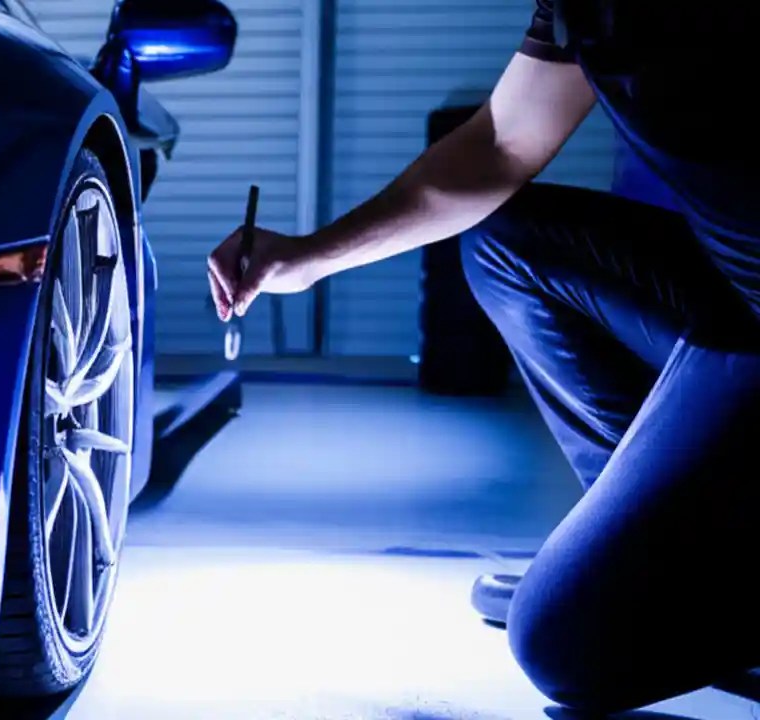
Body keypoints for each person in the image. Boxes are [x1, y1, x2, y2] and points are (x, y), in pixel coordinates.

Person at [207, 0, 760, 713]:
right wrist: (309, 258)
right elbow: (500, 144)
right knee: (505, 245)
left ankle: (672, 584)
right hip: (733, 297)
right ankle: (655, 554)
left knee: (562, 645)